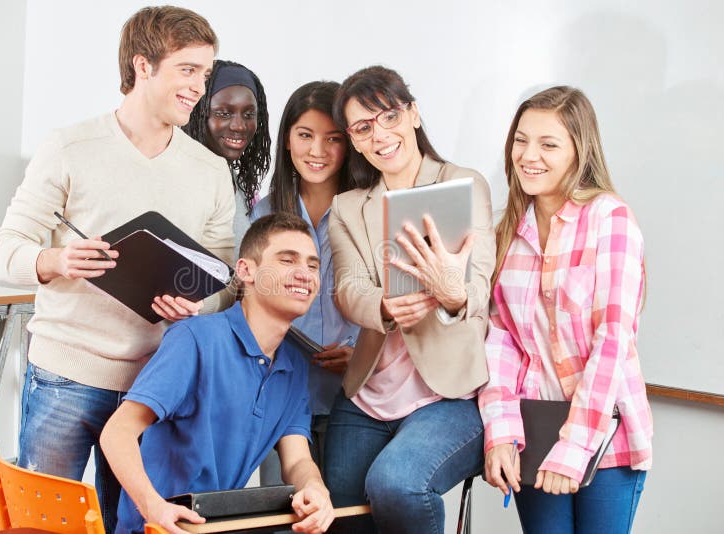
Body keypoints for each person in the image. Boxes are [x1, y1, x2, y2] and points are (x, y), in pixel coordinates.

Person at [0, 7, 234, 532]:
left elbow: (223, 278)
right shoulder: (69, 147)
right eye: (187, 70)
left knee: (135, 526)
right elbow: (4, 250)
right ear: (143, 66)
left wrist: (198, 304)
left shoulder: (211, 172)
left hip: (156, 386)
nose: (199, 87)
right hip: (65, 376)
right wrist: (56, 260)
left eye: (205, 73)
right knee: (45, 525)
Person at [324, 65, 495, 534]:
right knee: (338, 514)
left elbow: (480, 284)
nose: (379, 135)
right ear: (354, 141)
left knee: (397, 484)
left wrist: (453, 294)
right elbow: (348, 287)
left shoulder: (464, 184)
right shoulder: (348, 207)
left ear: (413, 114)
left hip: (449, 393)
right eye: (363, 128)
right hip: (368, 394)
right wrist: (382, 306)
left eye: (389, 116)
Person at [478, 86, 652, 533]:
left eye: (548, 144)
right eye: (521, 140)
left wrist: (575, 445)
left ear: (579, 151)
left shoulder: (610, 219)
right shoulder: (508, 230)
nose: (528, 155)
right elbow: (501, 341)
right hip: (535, 432)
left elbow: (612, 340)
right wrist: (501, 431)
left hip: (605, 437)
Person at [100, 212, 334, 534]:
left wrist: (315, 488)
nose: (304, 274)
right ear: (246, 270)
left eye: (312, 265)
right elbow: (117, 432)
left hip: (217, 527)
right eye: (287, 260)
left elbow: (297, 460)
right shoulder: (195, 339)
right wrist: (153, 507)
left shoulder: (293, 366)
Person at [251, 81, 360, 482]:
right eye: (305, 135)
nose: (317, 151)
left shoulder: (368, 210)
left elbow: (391, 295)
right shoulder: (262, 215)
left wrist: (361, 351)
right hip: (280, 393)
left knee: (348, 509)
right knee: (283, 506)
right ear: (286, 140)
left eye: (333, 139)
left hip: (353, 398)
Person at [183, 59, 271, 253]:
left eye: (249, 114)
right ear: (198, 114)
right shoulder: (180, 182)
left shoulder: (242, 189)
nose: (239, 126)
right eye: (223, 113)